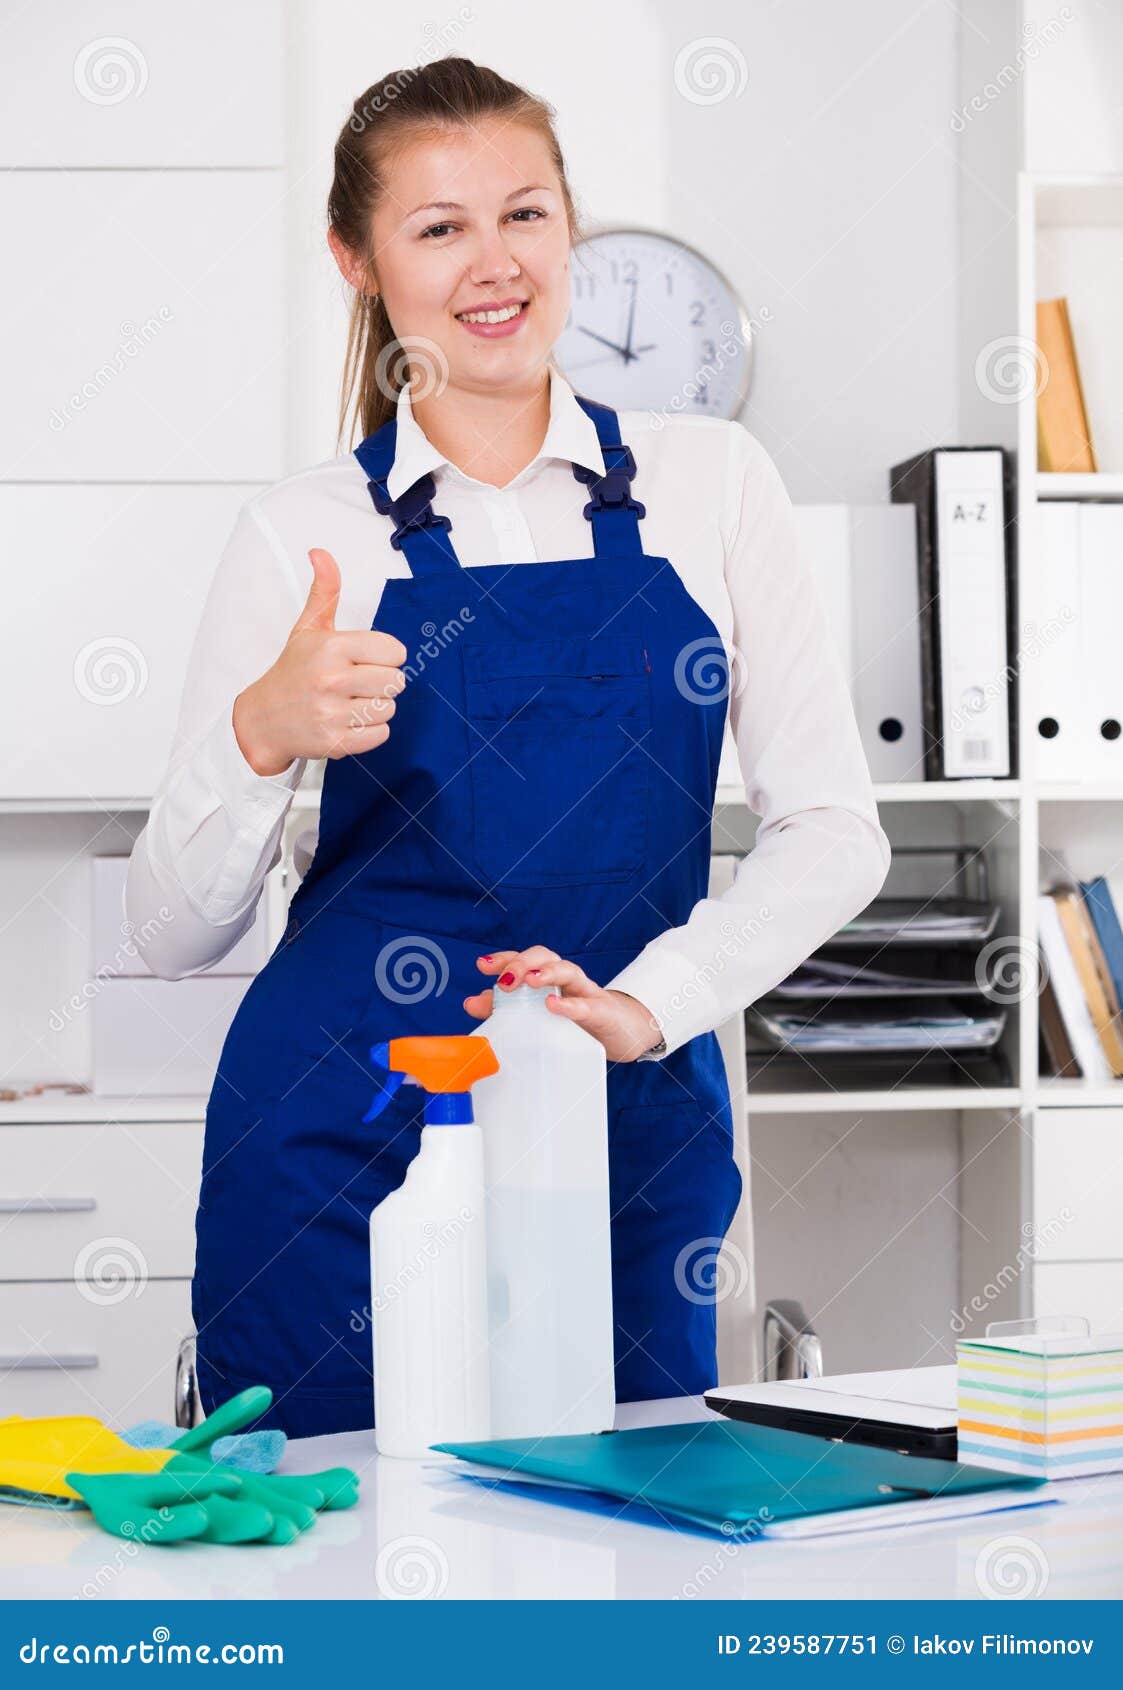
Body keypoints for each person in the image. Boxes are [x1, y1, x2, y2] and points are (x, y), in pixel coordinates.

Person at [127, 56, 890, 1437]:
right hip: (338, 1141)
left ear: (569, 224)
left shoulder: (713, 484)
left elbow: (835, 829)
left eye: (525, 213)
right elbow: (174, 934)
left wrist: (653, 1002)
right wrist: (260, 734)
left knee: (626, 1536)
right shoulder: (298, 534)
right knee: (339, 1550)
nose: (496, 264)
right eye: (439, 227)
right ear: (358, 261)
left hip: (622, 1121)